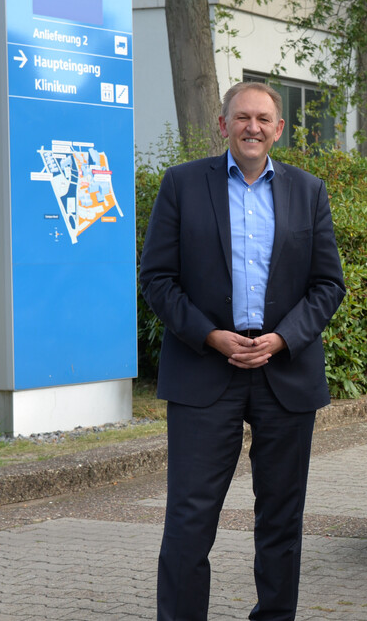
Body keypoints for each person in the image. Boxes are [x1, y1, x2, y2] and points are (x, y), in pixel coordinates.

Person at [139, 81, 346, 621]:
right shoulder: (182, 184)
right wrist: (210, 334)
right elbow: (157, 278)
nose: (252, 127)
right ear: (223, 124)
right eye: (242, 117)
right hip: (205, 368)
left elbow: (328, 285)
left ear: (279, 129)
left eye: (263, 119)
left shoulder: (309, 191)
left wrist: (283, 338)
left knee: (281, 516)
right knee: (190, 517)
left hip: (285, 372)